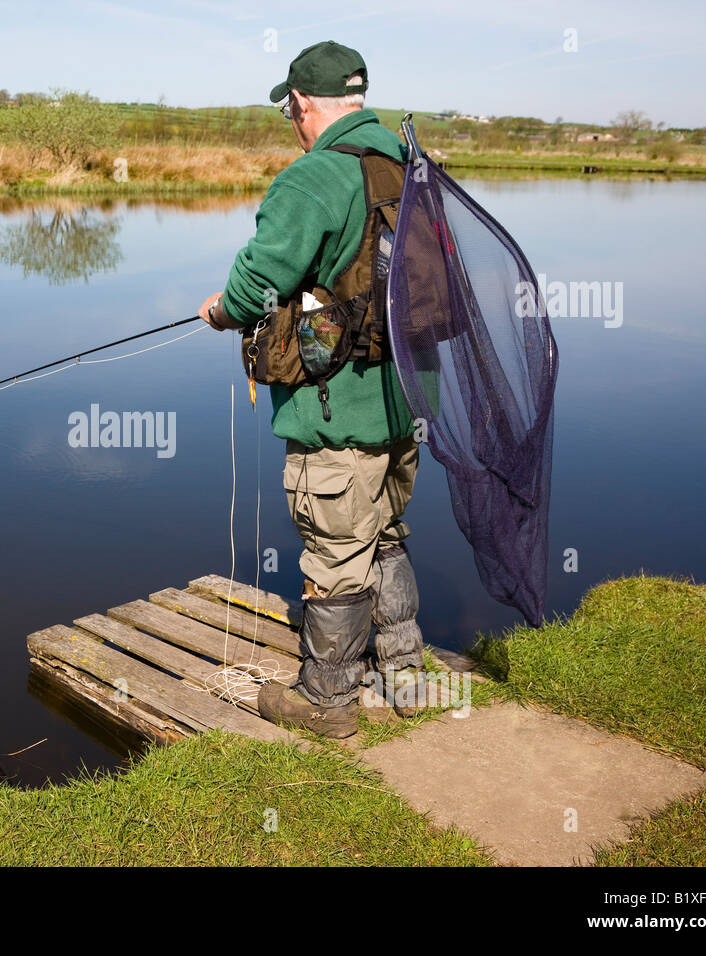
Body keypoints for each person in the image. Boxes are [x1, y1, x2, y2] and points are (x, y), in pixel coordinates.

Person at [198, 41, 430, 739]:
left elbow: (256, 283)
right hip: (412, 404)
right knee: (385, 532)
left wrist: (219, 310)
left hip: (339, 411)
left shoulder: (312, 178)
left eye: (289, 108)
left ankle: (327, 702)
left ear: (301, 103)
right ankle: (406, 673)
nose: (291, 121)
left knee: (334, 550)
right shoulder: (411, 163)